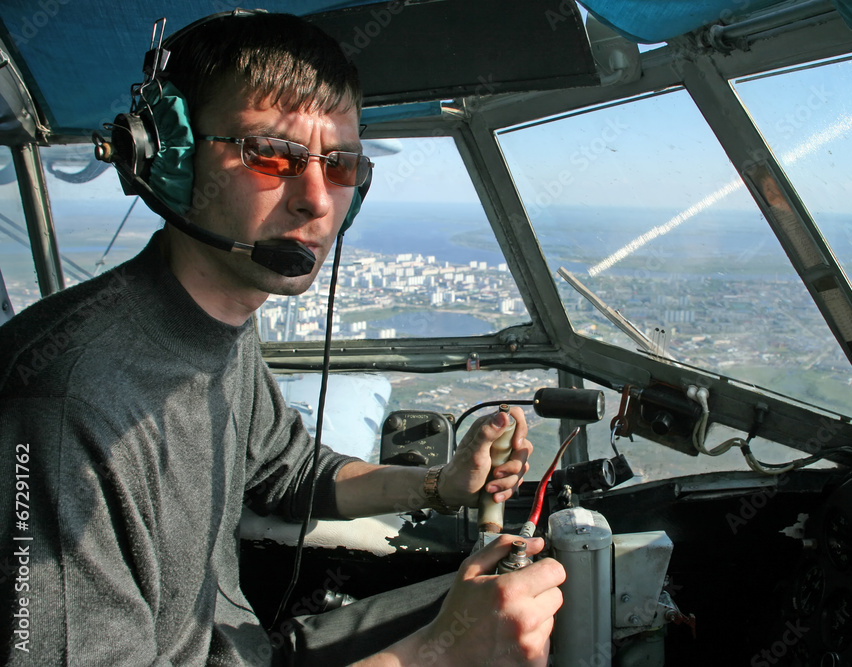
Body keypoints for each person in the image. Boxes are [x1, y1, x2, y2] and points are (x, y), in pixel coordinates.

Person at [0, 11, 564, 666]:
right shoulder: (64, 405)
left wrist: (439, 485)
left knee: (542, 588)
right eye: (272, 153)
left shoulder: (221, 322)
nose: (317, 199)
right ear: (167, 156)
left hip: (247, 649)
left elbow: (289, 472)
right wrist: (435, 655)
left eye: (343, 163)